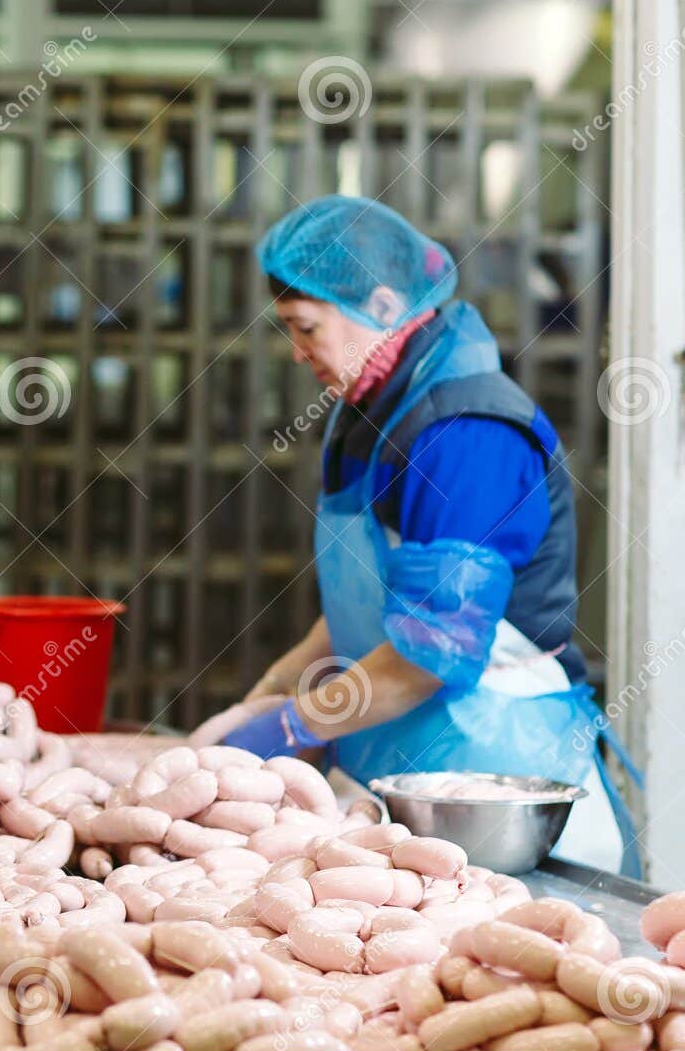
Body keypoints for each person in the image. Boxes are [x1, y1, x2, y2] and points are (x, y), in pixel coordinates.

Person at [224, 194, 638, 876]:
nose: (297, 354)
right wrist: (267, 693)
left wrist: (295, 723)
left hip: (495, 780)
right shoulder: (374, 409)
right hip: (399, 763)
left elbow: (431, 653)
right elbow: (364, 600)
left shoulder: (467, 433)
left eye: (305, 328)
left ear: (383, 307)